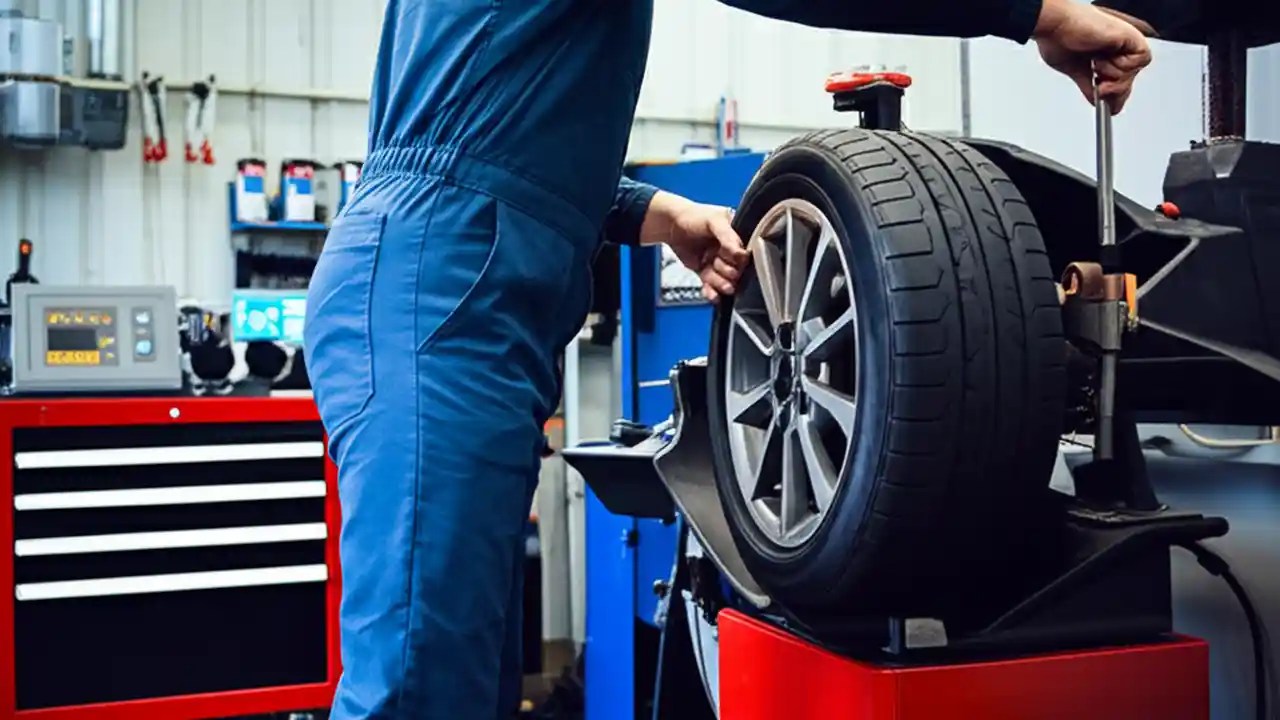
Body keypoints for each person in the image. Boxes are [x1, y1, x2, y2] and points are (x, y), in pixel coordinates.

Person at [303, 0, 1151, 717]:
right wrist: (1031, 12)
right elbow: (459, 164)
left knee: (464, 682)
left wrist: (658, 211)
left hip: (454, 289)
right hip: (435, 289)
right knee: (418, 684)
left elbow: (495, 133)